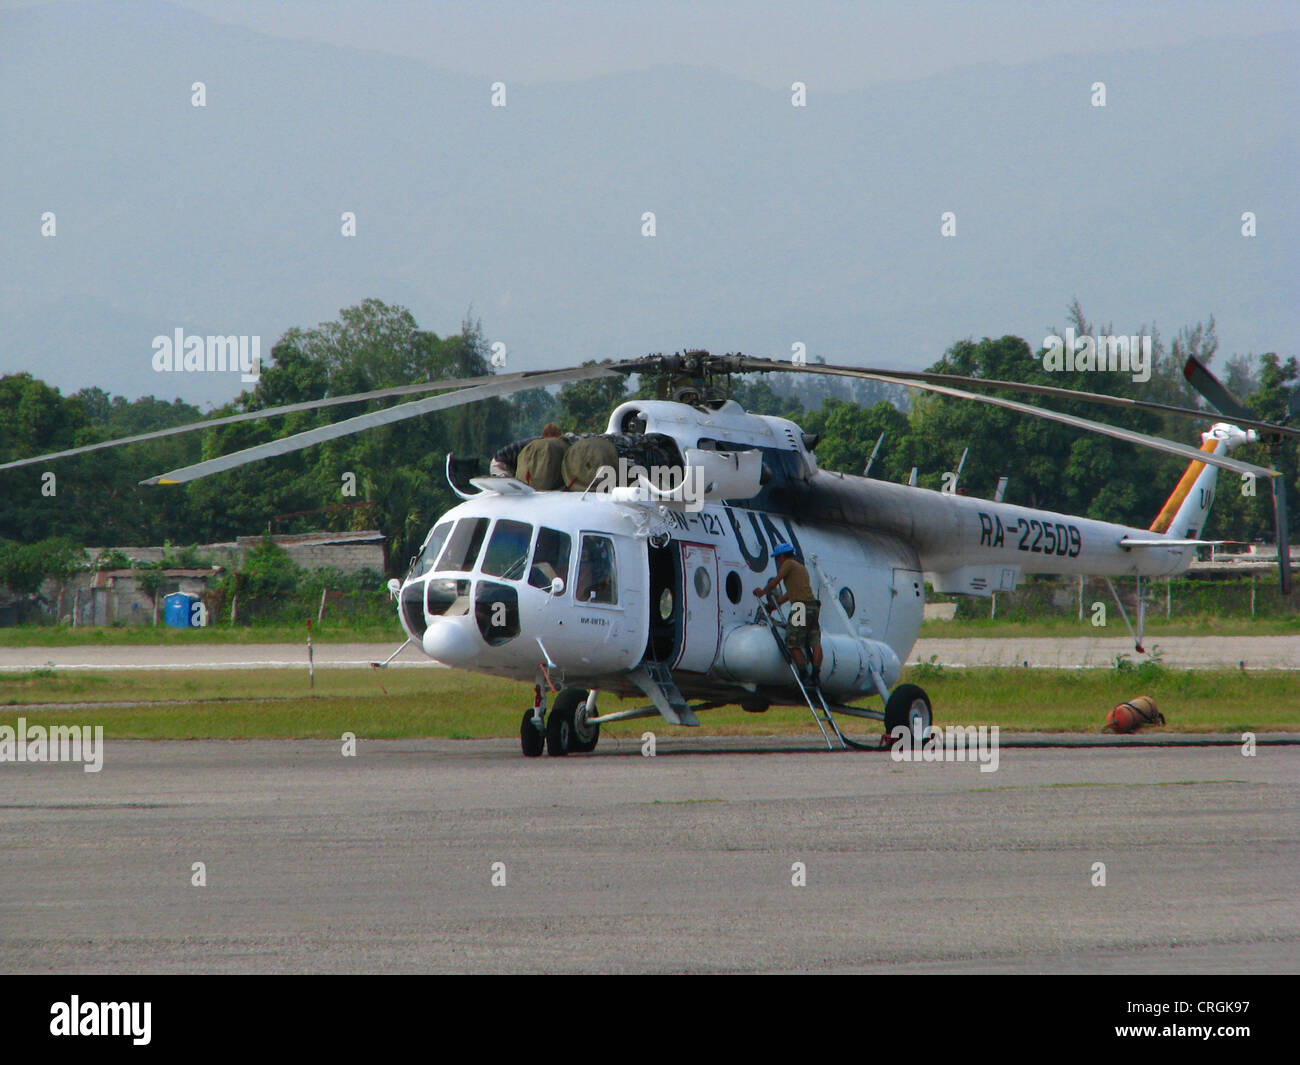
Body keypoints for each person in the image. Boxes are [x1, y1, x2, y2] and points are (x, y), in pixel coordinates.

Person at [754, 543, 823, 684]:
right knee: (815, 643)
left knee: (792, 642)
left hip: (800, 607)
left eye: (777, 558)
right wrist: (775, 605)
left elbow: (776, 581)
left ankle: (803, 674)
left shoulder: (788, 564)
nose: (777, 561)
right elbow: (790, 593)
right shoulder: (801, 568)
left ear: (782, 556)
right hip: (813, 607)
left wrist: (762, 592)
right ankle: (816, 675)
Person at [514, 424, 569, 490]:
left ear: (543, 435)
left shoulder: (528, 445)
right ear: (559, 434)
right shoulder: (564, 445)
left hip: (523, 489)